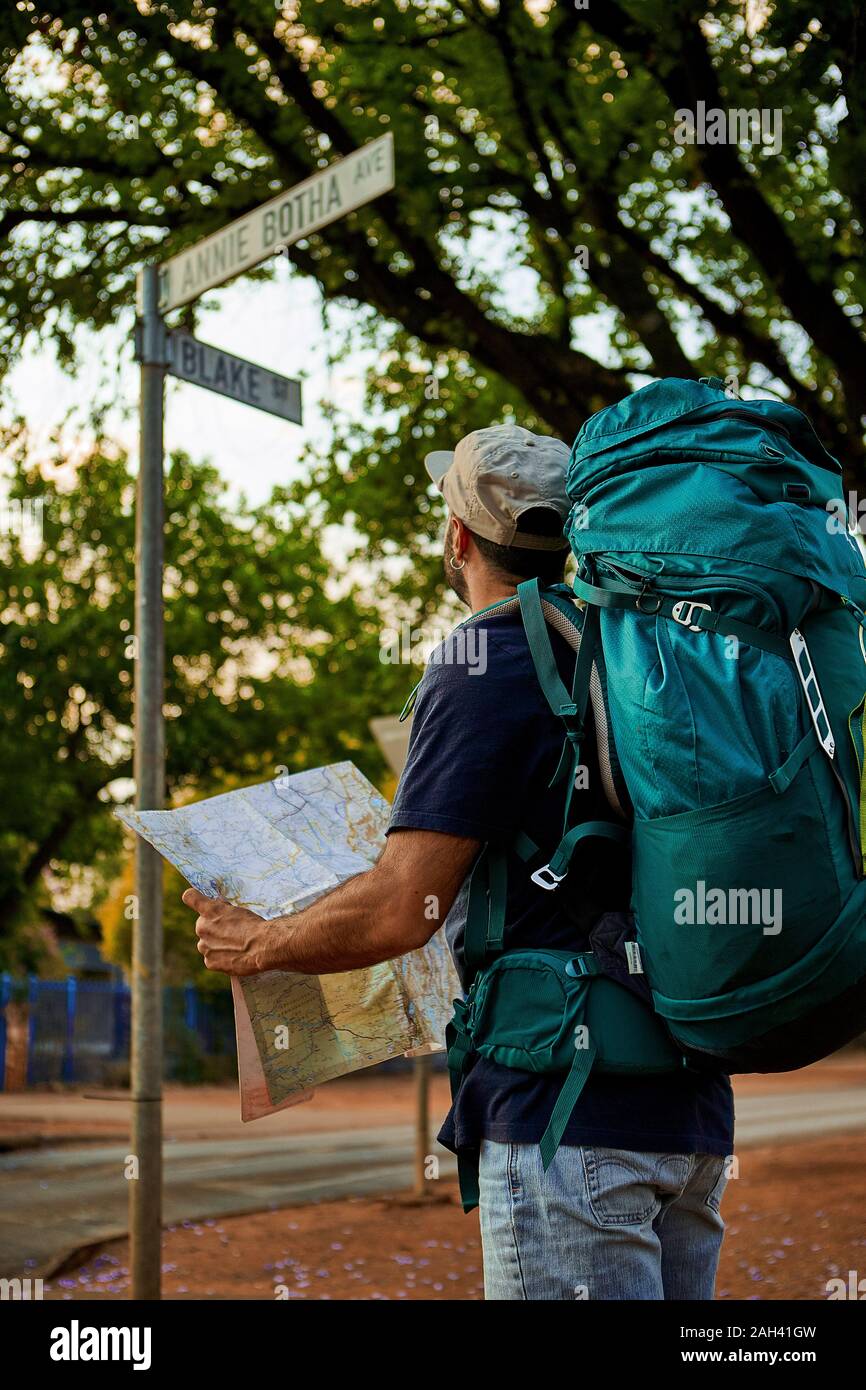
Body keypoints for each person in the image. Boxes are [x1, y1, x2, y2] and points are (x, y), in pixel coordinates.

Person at [184, 423, 734, 1301]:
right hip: (691, 1116)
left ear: (459, 537)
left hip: (565, 1118)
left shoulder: (486, 659)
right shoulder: (642, 654)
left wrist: (259, 944)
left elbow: (405, 907)